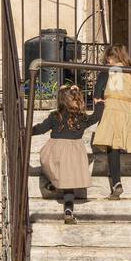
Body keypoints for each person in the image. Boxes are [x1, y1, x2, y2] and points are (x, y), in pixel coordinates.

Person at [32, 84, 102, 224]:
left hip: (55, 149)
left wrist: (26, 130)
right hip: (74, 151)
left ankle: (53, 184)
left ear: (60, 100)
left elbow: (41, 128)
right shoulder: (81, 118)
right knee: (69, 183)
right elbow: (95, 117)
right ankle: (68, 210)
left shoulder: (55, 116)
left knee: (48, 164)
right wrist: (99, 104)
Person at [91, 44, 131, 200]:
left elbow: (97, 92)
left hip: (112, 109)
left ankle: (116, 182)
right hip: (129, 110)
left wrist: (98, 102)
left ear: (110, 58)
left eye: (108, 59)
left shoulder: (107, 71)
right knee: (123, 141)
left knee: (113, 147)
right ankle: (117, 181)